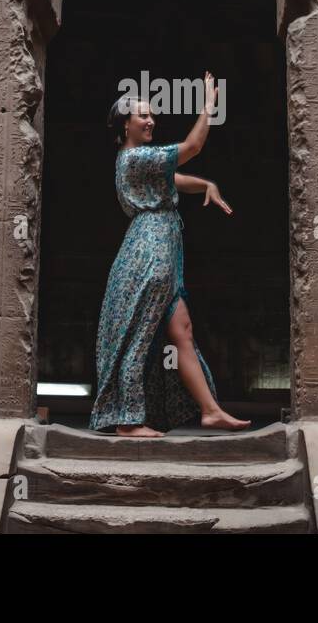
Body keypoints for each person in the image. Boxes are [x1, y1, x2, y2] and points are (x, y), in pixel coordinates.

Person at [88, 72, 251, 437]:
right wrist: (208, 104)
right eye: (143, 115)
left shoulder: (141, 162)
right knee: (141, 331)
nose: (151, 121)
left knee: (182, 330)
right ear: (125, 124)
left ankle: (210, 410)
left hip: (162, 246)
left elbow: (177, 180)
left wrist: (207, 184)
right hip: (150, 250)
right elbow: (193, 146)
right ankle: (128, 421)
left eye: (152, 115)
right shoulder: (135, 158)